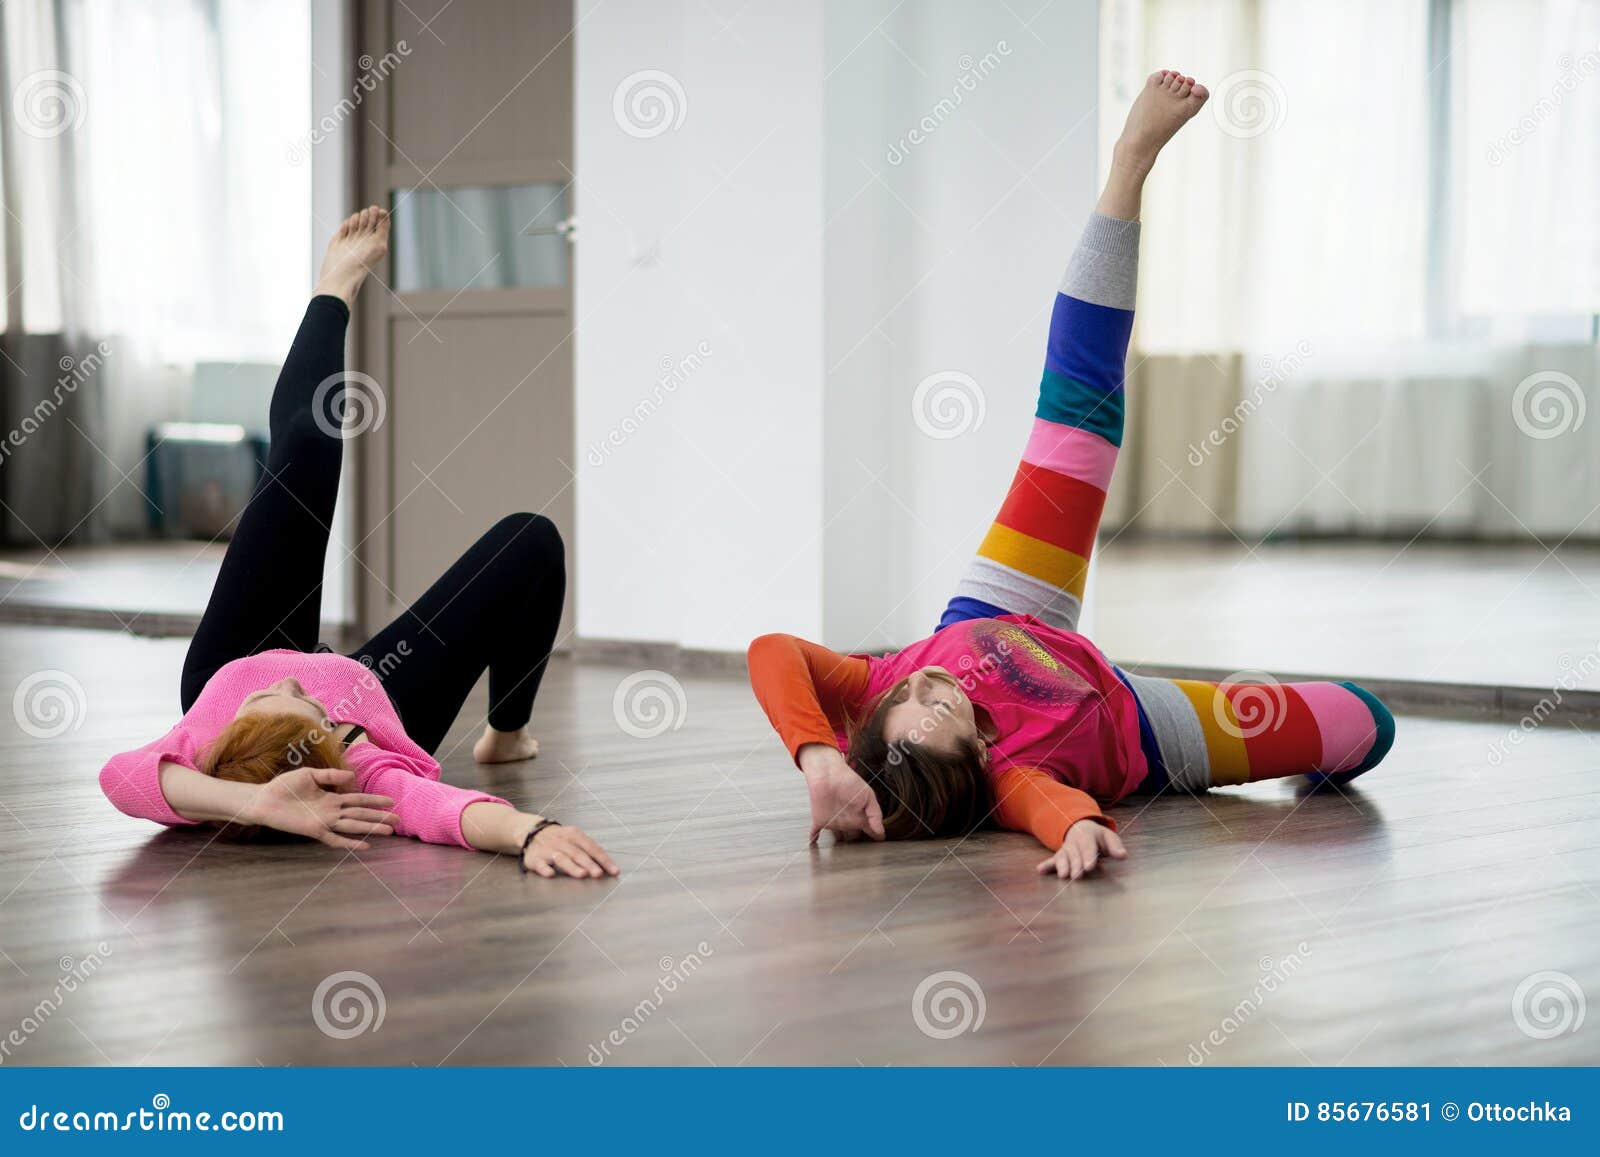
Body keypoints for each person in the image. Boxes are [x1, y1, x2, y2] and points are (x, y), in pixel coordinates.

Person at [746, 71, 1395, 880]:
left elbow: (773, 649)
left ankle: (1129, 164)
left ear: (878, 709)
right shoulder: (1014, 770)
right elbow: (1047, 809)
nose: (932, 690)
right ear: (981, 744)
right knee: (1362, 721)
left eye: (911, 698)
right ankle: (1308, 746)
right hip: (1132, 723)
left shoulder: (889, 679)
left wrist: (816, 756)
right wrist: (1080, 829)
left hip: (1002, 606)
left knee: (1077, 414)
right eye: (945, 709)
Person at [99, 207, 618, 880]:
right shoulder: (364, 769)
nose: (291, 671)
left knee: (308, 445)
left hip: (228, 659)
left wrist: (251, 800)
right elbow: (445, 809)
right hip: (383, 692)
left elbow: (120, 777)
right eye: (303, 700)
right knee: (531, 539)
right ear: (333, 743)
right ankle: (508, 732)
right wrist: (531, 830)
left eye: (266, 696)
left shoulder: (201, 741)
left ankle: (332, 291)